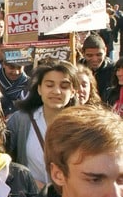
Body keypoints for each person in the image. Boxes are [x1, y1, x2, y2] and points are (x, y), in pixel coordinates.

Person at [6, 59, 78, 187]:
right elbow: (3, 159)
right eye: (49, 85)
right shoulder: (21, 120)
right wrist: (29, 182)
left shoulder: (82, 126)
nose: (56, 91)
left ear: (73, 92)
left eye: (64, 86)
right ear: (39, 89)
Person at [81, 34, 115, 99]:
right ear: (83, 53)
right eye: (89, 55)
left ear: (105, 51)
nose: (95, 59)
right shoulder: (77, 69)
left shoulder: (114, 70)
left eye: (99, 55)